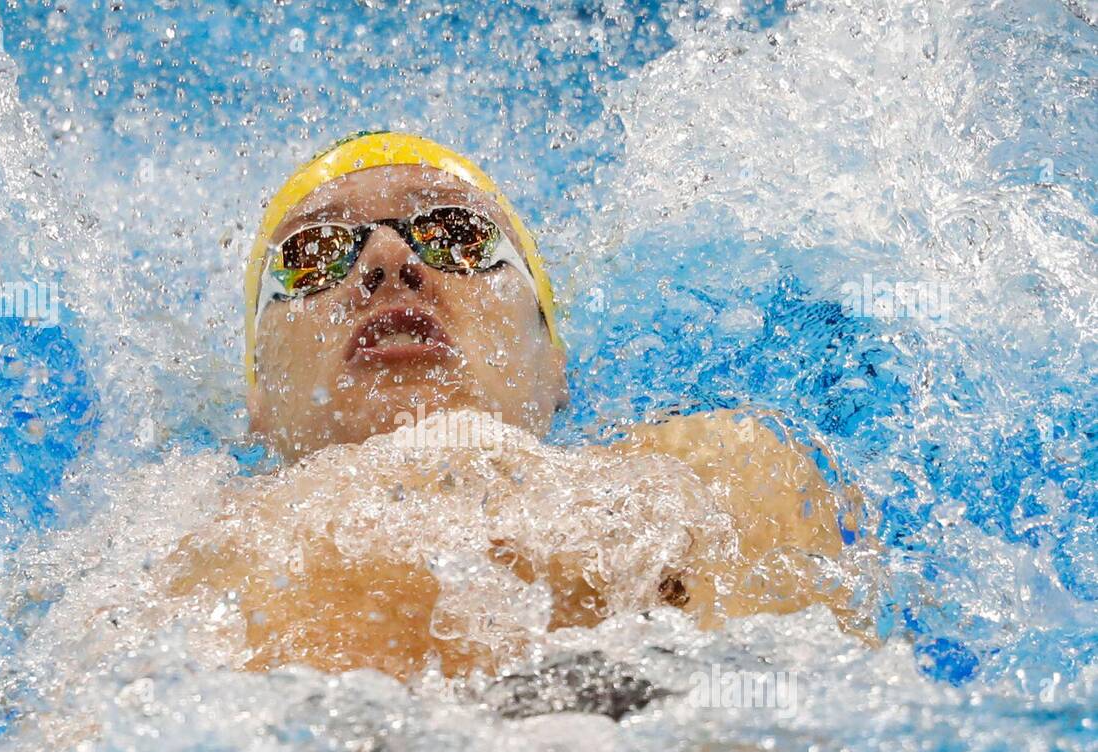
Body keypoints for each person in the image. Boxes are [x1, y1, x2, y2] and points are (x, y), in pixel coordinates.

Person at [168, 131, 868, 679]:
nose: (385, 260)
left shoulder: (714, 473)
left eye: (457, 234)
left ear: (553, 361)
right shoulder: (183, 554)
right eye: (312, 251)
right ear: (257, 395)